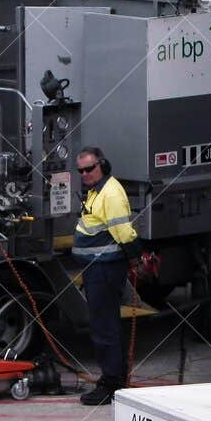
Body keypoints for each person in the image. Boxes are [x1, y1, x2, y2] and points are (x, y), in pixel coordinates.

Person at [73, 147, 138, 406]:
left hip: (105, 269)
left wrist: (134, 256)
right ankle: (115, 380)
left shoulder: (110, 192)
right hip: (97, 268)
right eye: (81, 171)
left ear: (103, 165)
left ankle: (112, 384)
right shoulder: (96, 191)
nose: (85, 174)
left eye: (90, 168)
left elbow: (123, 231)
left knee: (104, 327)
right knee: (105, 324)